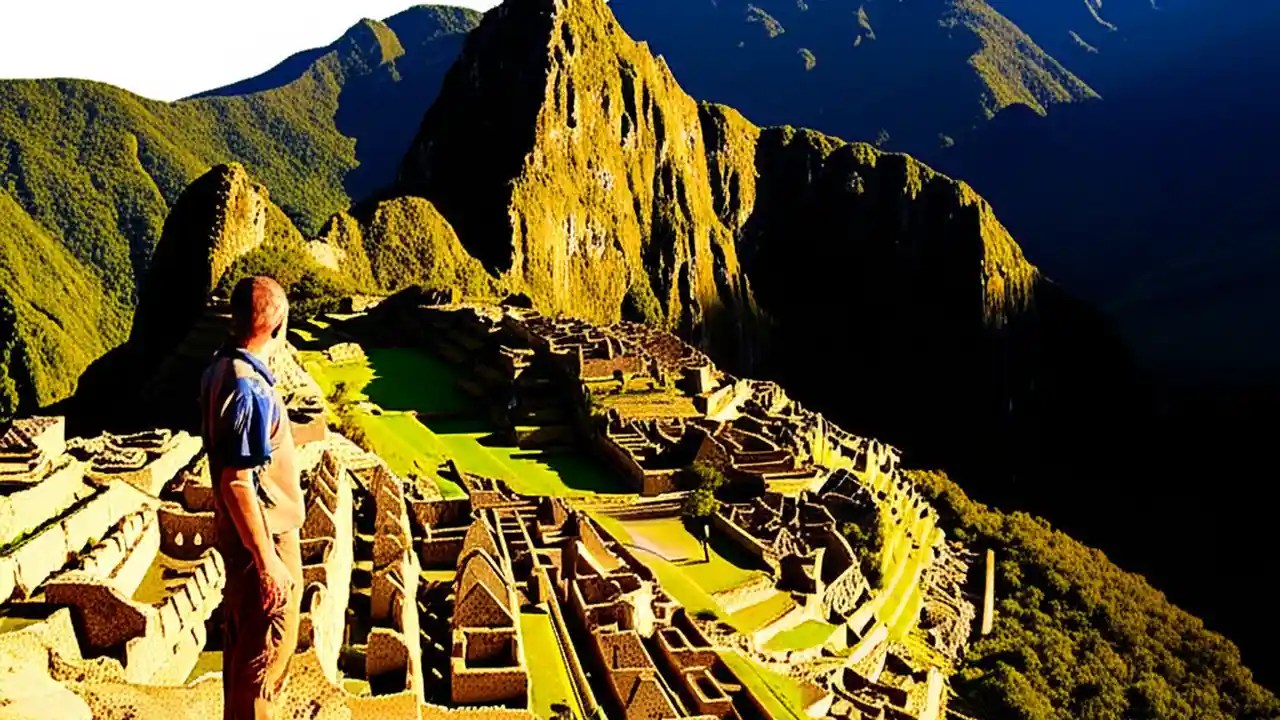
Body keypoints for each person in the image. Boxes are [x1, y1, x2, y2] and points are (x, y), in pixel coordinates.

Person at [199, 276, 305, 720]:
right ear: (277, 324)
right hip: (264, 539)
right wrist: (268, 564)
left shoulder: (218, 368)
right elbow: (237, 481)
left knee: (243, 651)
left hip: (243, 536)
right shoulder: (250, 390)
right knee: (264, 660)